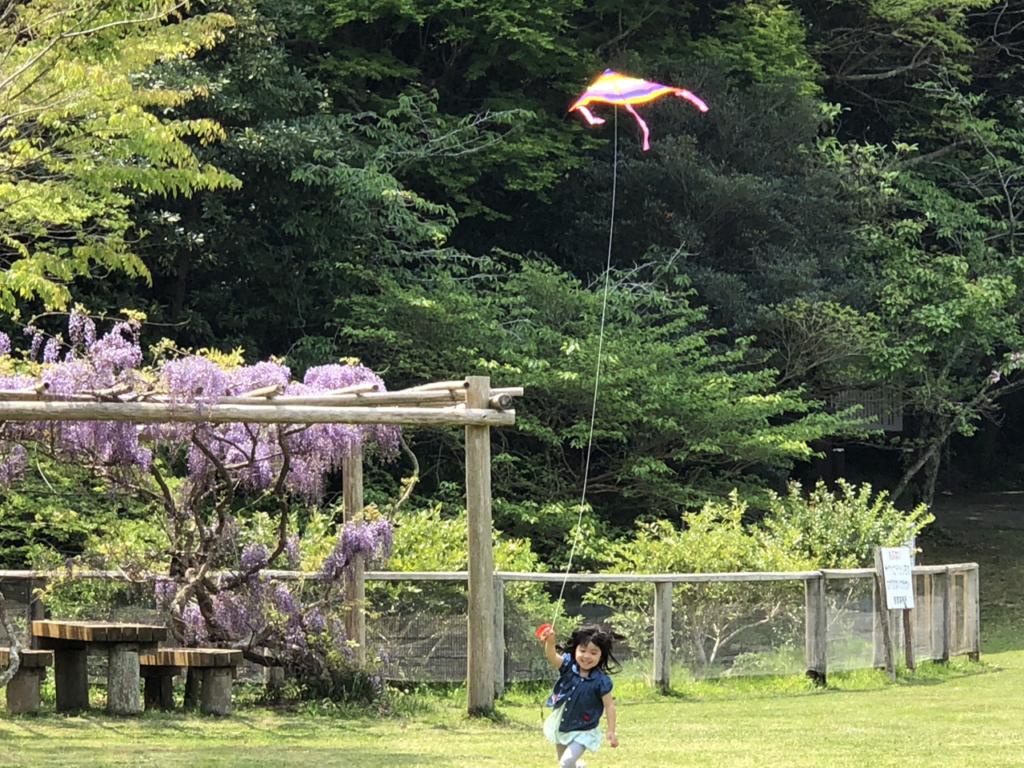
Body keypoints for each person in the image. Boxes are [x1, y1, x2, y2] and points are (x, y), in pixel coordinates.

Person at [538, 623, 619, 768]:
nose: (587, 656)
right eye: (582, 650)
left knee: (565, 763)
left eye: (593, 653)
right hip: (563, 724)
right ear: (575, 650)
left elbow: (609, 705)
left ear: (601, 656)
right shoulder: (568, 666)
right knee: (567, 763)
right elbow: (552, 656)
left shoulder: (601, 681)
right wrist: (550, 641)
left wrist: (611, 731)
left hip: (585, 730)